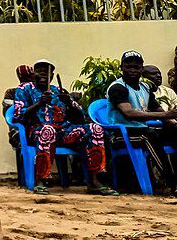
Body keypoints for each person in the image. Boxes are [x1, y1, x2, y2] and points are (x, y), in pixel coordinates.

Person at [13, 59, 116, 195]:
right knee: (47, 130)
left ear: (52, 75)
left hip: (63, 131)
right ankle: (41, 180)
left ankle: (93, 181)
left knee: (95, 129)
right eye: (39, 71)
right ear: (34, 74)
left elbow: (80, 117)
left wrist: (69, 103)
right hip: (37, 130)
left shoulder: (58, 91)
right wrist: (39, 104)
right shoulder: (24, 89)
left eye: (47, 72)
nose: (43, 74)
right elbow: (18, 116)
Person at [107, 52, 177, 193]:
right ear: (122, 68)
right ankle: (171, 183)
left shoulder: (145, 88)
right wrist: (166, 114)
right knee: (150, 135)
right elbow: (129, 113)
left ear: (141, 69)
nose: (132, 70)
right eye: (129, 66)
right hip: (121, 134)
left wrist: (173, 122)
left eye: (136, 67)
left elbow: (156, 109)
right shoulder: (118, 88)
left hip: (142, 130)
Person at [4, 64, 35, 148]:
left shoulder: (42, 92)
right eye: (28, 78)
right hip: (21, 127)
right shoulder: (12, 93)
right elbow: (12, 115)